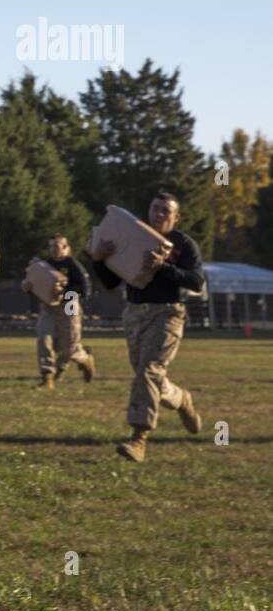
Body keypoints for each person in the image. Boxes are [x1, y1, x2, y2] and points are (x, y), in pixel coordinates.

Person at [89, 192, 203, 463]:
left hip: (168, 313)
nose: (159, 214)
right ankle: (182, 399)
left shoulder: (183, 244)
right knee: (148, 375)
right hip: (134, 314)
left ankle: (139, 438)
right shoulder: (133, 236)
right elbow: (110, 282)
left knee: (149, 371)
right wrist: (98, 258)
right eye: (155, 208)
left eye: (166, 210)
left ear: (176, 217)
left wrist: (163, 267)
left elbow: (196, 282)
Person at [22, 234, 95, 389]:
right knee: (44, 339)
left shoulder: (73, 265)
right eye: (51, 246)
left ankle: (84, 359)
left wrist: (64, 292)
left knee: (69, 344)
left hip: (69, 305)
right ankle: (47, 376)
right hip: (49, 306)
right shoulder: (44, 265)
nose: (54, 249)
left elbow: (84, 288)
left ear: (66, 248)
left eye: (58, 245)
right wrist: (28, 287)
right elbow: (37, 286)